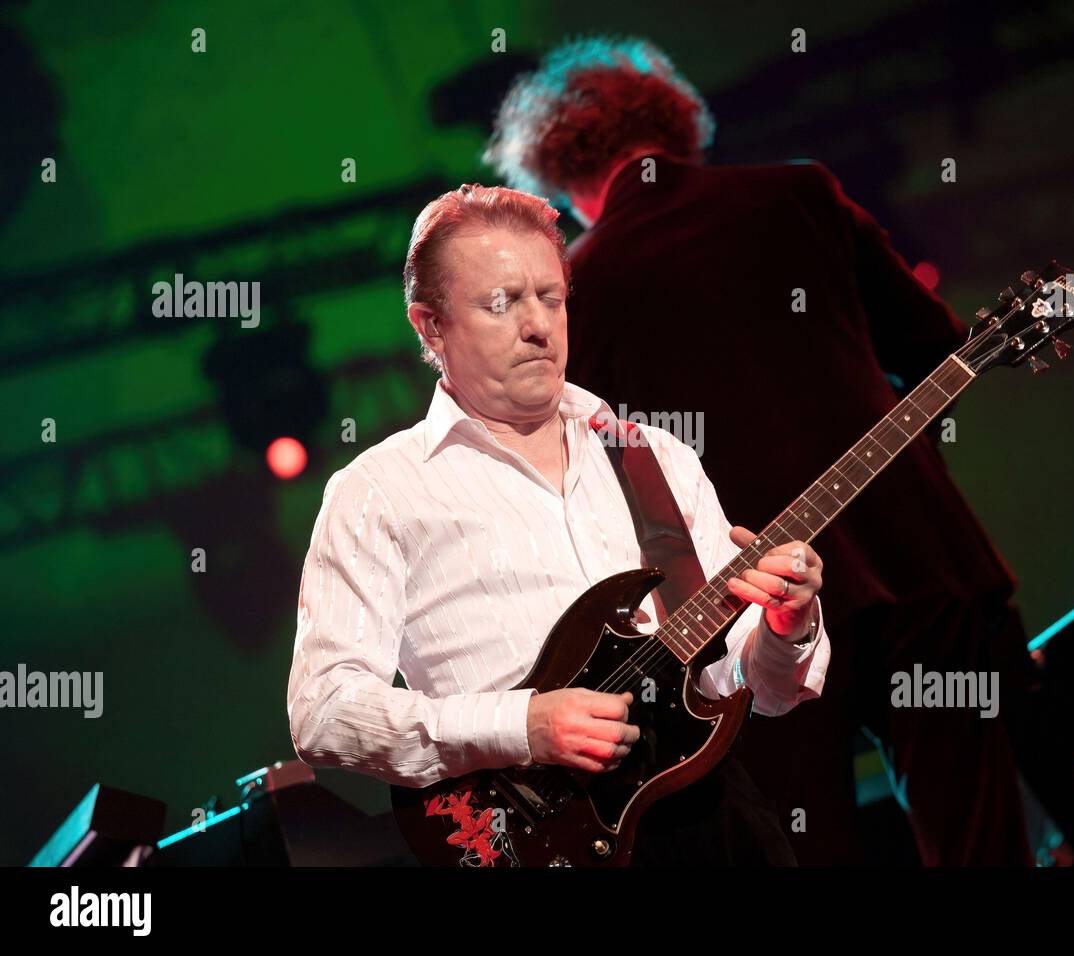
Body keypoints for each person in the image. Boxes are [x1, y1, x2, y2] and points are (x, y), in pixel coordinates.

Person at [484, 36, 1035, 865]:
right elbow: (937, 347)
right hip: (916, 565)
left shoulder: (574, 290)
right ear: (677, 121)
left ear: (557, 165)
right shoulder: (799, 192)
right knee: (979, 848)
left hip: (749, 625)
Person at [286, 184, 830, 866]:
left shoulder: (652, 458)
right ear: (430, 325)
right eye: (501, 303)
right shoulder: (378, 491)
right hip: (539, 842)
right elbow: (324, 711)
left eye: (551, 296)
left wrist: (788, 628)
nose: (539, 325)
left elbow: (767, 692)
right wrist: (522, 727)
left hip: (715, 819)